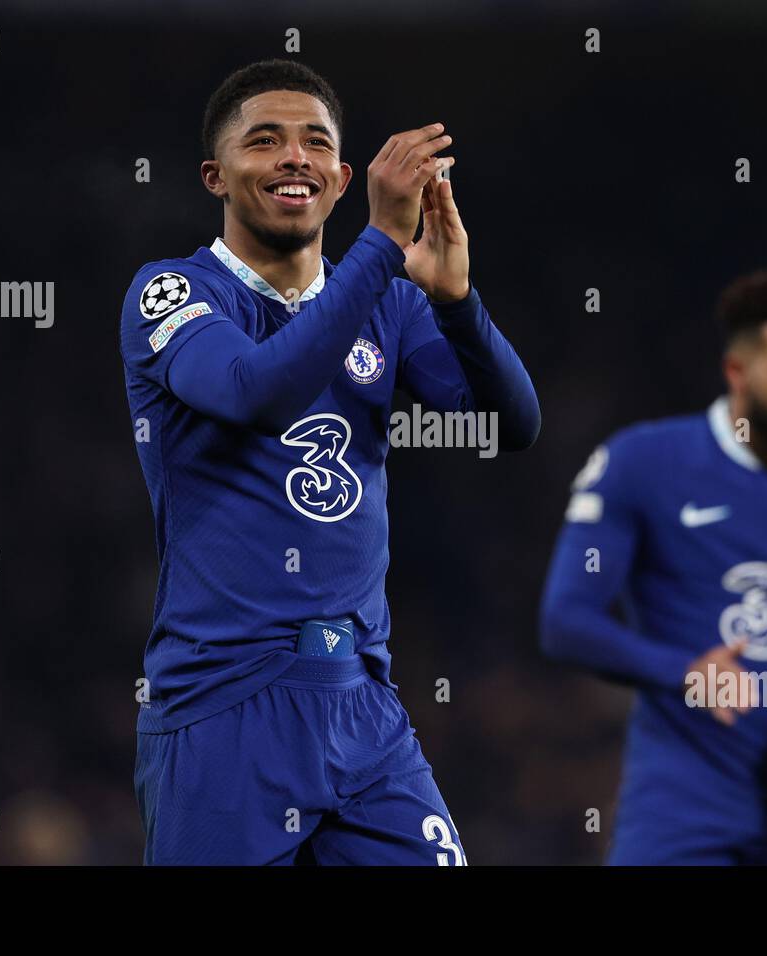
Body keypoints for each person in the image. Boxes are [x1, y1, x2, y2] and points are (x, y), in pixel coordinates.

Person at [121, 59, 539, 864]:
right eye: (265, 140)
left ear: (342, 178)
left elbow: (511, 422)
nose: (294, 157)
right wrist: (380, 245)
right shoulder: (170, 294)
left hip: (363, 706)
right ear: (216, 174)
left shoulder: (387, 299)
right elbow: (255, 391)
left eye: (316, 143)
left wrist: (457, 302)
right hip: (224, 706)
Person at [540, 267, 767, 864]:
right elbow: (566, 620)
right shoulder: (642, 463)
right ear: (738, 372)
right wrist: (683, 672)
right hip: (677, 813)